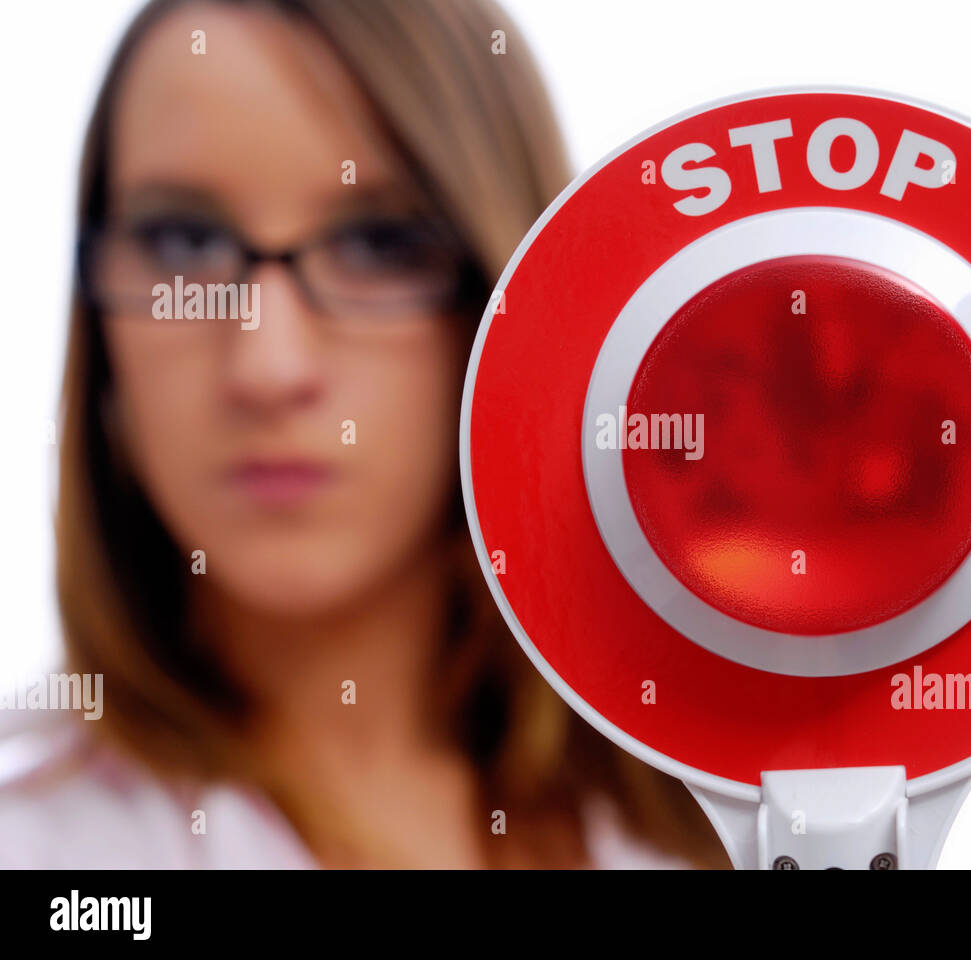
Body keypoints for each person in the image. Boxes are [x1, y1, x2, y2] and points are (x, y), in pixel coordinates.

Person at [0, 0, 728, 869]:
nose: (266, 368)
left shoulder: (747, 819)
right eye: (183, 241)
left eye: (379, 243)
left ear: (512, 295)